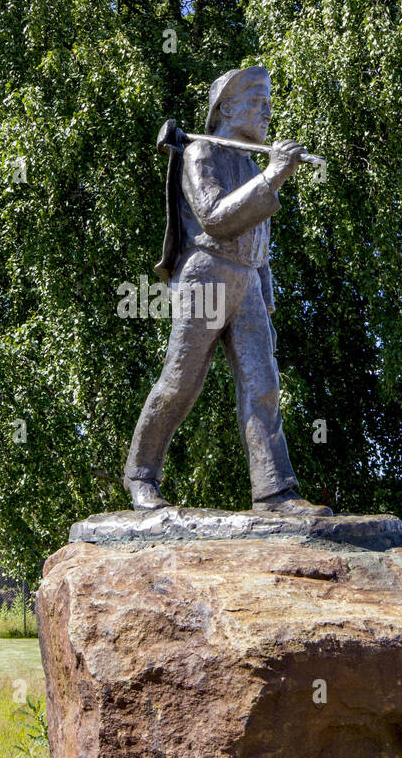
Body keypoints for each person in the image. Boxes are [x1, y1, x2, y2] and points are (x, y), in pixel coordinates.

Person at [123, 65, 331, 515]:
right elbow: (216, 216)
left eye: (269, 105)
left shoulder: (250, 162)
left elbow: (260, 240)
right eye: (260, 104)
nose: (268, 113)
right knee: (181, 381)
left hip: (247, 281)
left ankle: (275, 492)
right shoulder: (202, 153)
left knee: (264, 387)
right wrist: (275, 176)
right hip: (207, 275)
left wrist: (265, 293)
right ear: (228, 108)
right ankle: (141, 475)